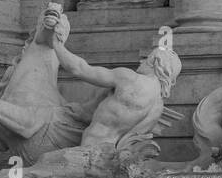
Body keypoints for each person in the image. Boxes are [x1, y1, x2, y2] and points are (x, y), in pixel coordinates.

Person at [51, 35, 181, 151]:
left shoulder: (130, 79)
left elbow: (79, 69)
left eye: (147, 59)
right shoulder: (157, 107)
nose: (141, 62)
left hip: (89, 149)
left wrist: (57, 45)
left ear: (155, 62)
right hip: (111, 155)